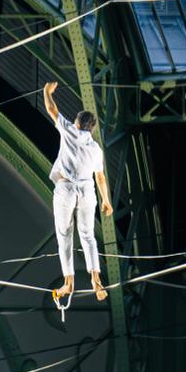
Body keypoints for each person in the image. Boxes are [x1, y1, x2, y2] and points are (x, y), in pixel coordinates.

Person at [41, 82, 112, 303]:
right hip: (88, 191)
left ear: (77, 123)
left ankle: (69, 283)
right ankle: (96, 281)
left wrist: (46, 92)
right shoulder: (96, 149)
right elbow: (100, 176)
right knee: (88, 236)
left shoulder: (69, 131)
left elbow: (52, 109)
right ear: (91, 128)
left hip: (66, 190)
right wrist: (106, 200)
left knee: (64, 235)